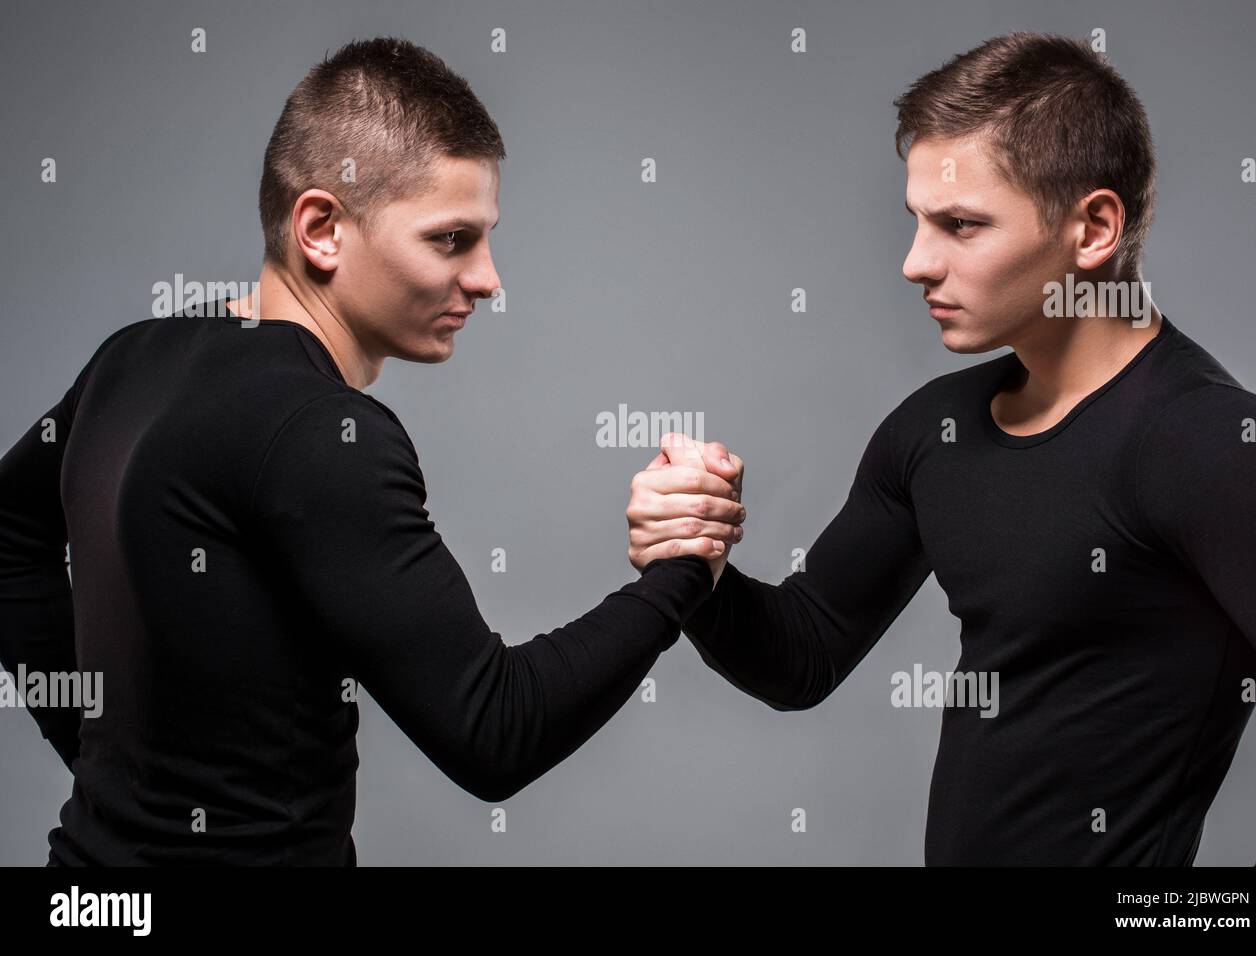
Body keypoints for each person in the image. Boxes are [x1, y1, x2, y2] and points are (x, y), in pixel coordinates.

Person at [0, 36, 743, 865]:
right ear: (321, 228)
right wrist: (683, 566)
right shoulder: (318, 430)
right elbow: (497, 731)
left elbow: (4, 536)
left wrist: (110, 768)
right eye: (451, 239)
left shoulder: (130, 358)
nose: (490, 278)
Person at [627, 32, 1256, 865]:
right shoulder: (934, 432)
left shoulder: (1218, 447)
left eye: (960, 225)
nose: (915, 263)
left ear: (1092, 229)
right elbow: (803, 655)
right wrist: (692, 559)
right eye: (917, 222)